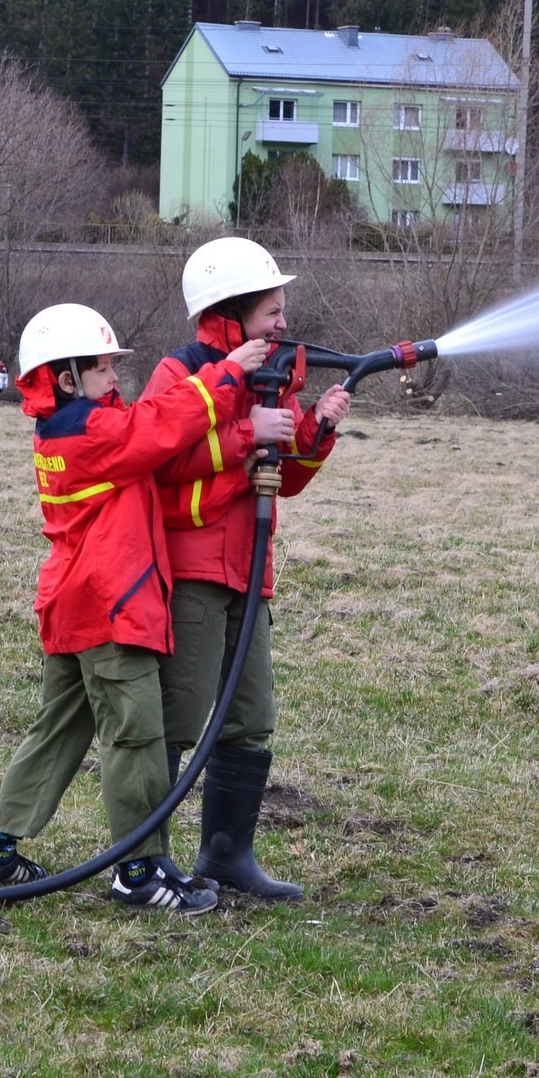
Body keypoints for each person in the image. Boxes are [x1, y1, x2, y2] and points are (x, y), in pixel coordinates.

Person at [0, 302, 269, 917]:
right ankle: (137, 872)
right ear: (65, 377)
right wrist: (229, 372)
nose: (114, 378)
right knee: (136, 736)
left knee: (58, 728)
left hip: (71, 606)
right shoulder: (95, 433)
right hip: (109, 611)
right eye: (102, 368)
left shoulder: (62, 429)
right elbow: (163, 424)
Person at [143, 237, 350, 901]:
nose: (283, 322)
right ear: (229, 314)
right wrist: (246, 435)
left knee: (251, 717)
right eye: (271, 311)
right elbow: (163, 463)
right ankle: (145, 861)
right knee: (178, 718)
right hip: (194, 577)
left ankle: (227, 856)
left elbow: (281, 480)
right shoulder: (179, 375)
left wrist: (315, 429)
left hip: (250, 574)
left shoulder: (273, 379)